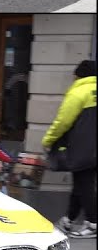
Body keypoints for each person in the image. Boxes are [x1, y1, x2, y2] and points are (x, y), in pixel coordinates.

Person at [42, 60, 96, 239]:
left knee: (84, 184)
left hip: (84, 148)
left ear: (79, 75)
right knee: (81, 183)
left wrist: (48, 140)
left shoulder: (78, 92)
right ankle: (68, 219)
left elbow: (63, 122)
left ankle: (93, 223)